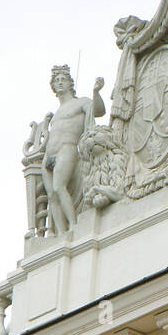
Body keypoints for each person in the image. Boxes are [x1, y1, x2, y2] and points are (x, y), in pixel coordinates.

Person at [40, 65, 105, 235]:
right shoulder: (56, 114)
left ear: (70, 83)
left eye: (63, 79)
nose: (60, 83)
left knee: (59, 187)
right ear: (53, 87)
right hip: (49, 154)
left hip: (67, 148)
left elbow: (99, 111)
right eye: (56, 81)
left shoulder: (81, 102)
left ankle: (74, 225)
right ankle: (61, 233)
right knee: (52, 196)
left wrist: (96, 92)